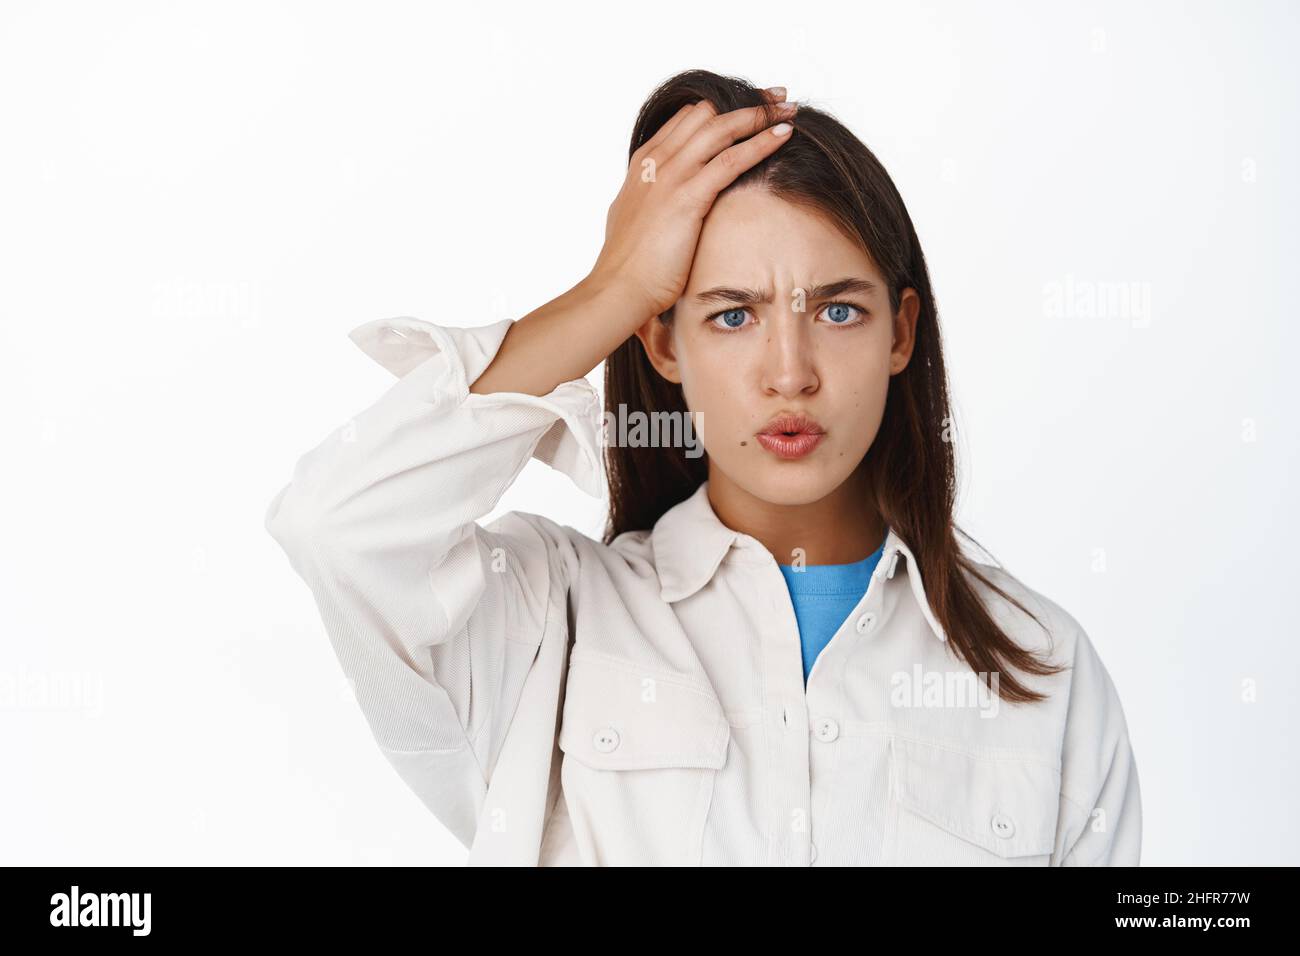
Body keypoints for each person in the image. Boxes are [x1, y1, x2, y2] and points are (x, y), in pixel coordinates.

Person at [264, 69, 1141, 866]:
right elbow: (334, 526)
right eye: (731, 316)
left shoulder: (1043, 666)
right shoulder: (547, 630)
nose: (789, 371)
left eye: (837, 311)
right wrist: (611, 289)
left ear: (901, 333)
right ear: (662, 339)